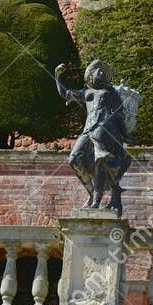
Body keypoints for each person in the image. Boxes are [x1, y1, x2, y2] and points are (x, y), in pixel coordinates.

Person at [54, 60, 134, 214]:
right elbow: (65, 93)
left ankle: (97, 199)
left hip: (105, 129)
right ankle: (91, 194)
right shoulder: (87, 93)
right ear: (91, 75)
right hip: (88, 130)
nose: (102, 73)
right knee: (74, 159)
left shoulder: (111, 93)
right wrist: (57, 77)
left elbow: (119, 115)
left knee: (101, 162)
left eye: (104, 72)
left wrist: (125, 134)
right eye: (98, 71)